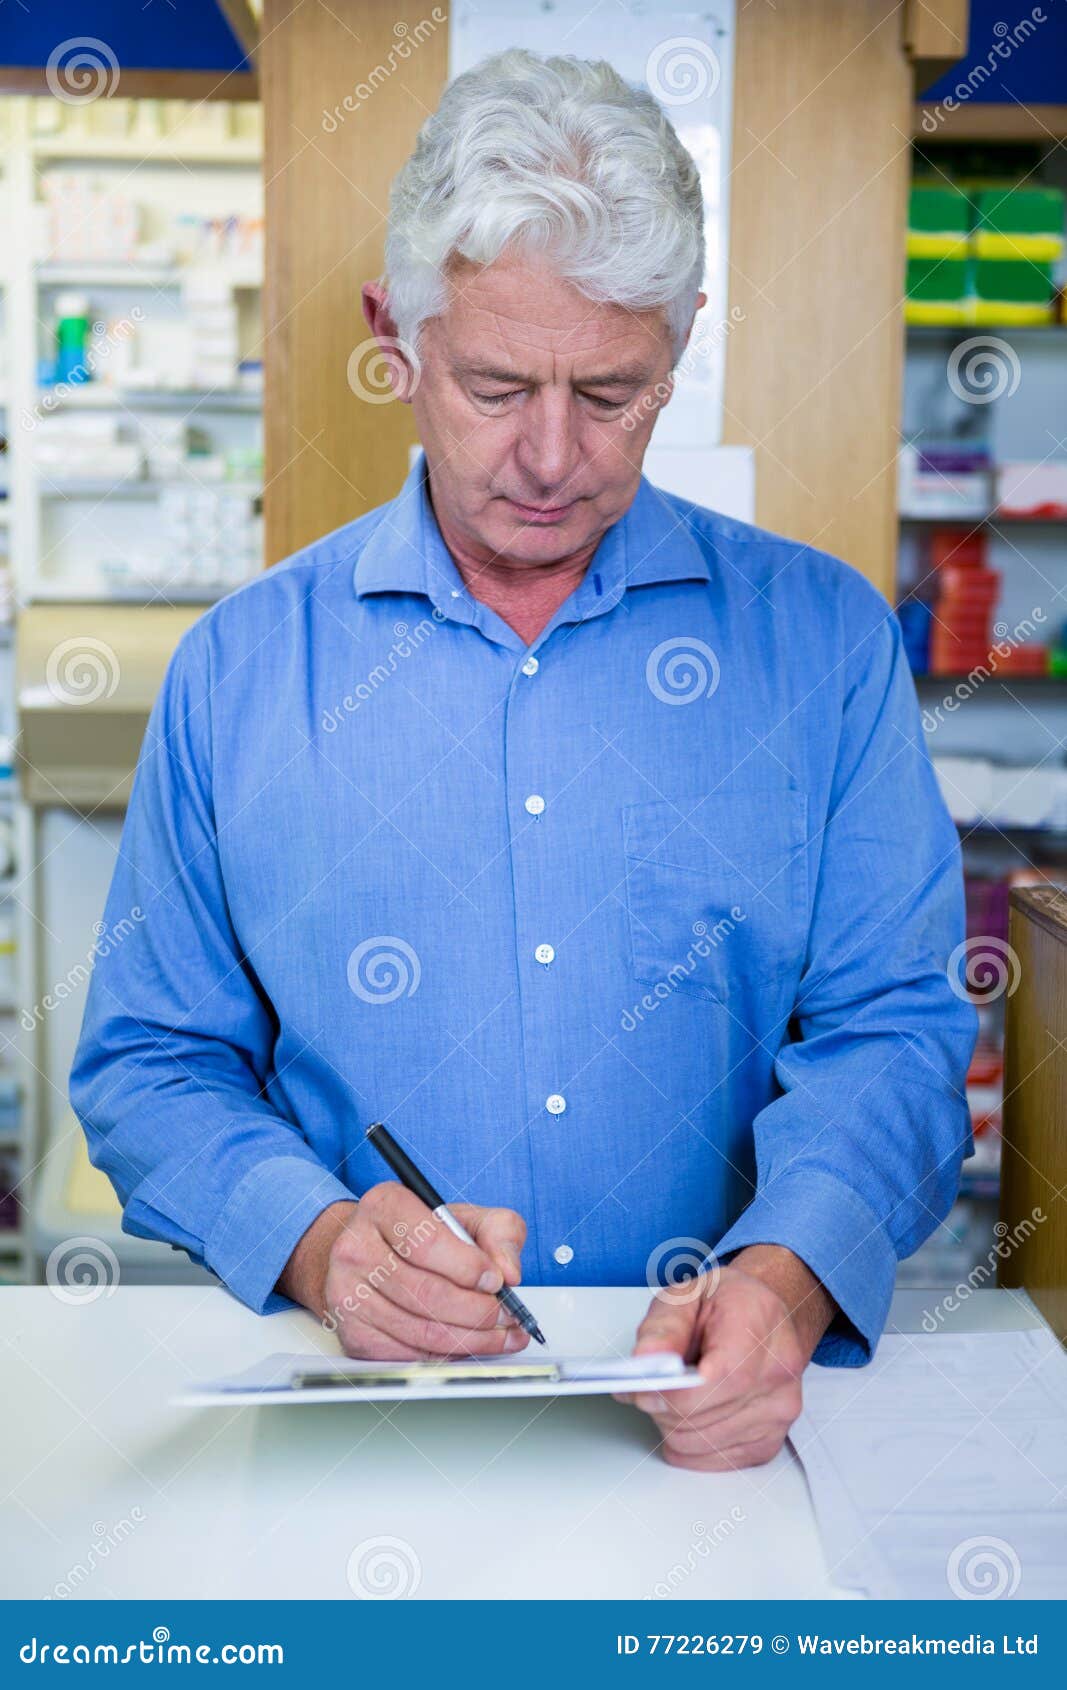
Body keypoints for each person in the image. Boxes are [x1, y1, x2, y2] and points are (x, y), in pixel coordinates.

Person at [71, 49, 976, 1472]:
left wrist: (787, 1277)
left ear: (682, 342)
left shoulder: (826, 645)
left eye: (613, 394)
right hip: (354, 1442)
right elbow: (150, 1061)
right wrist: (318, 1246)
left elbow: (897, 1032)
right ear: (397, 336)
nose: (553, 457)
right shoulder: (240, 674)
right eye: (496, 385)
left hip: (722, 1440)